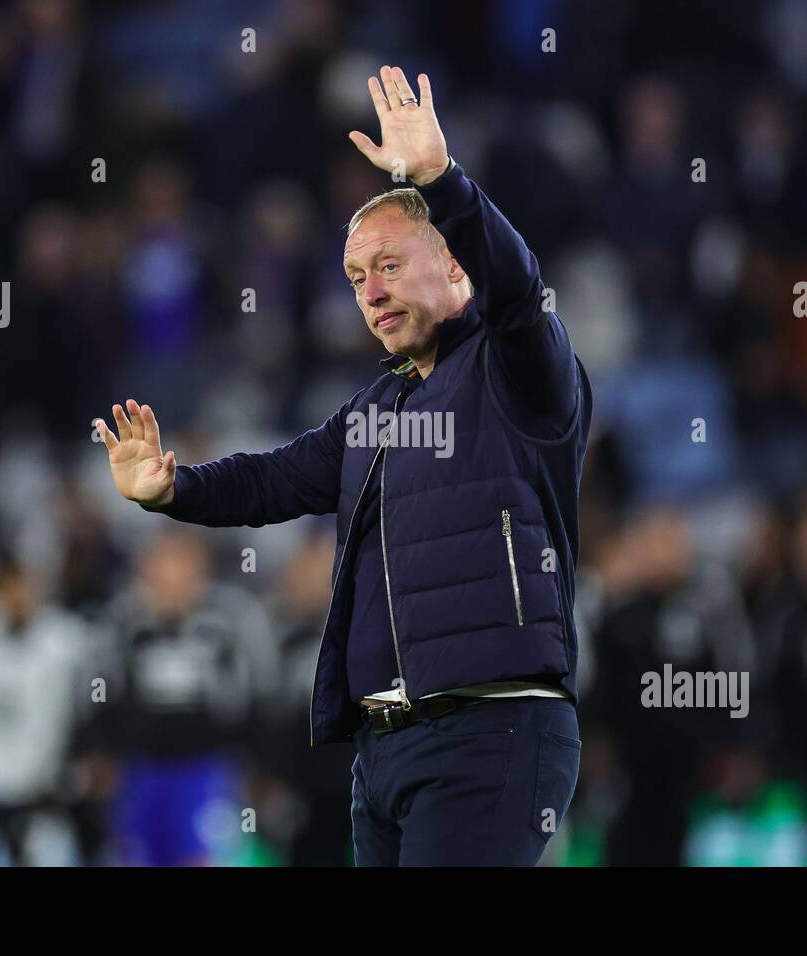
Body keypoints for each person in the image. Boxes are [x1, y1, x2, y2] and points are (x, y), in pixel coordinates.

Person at [97, 65, 592, 866]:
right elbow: (275, 479)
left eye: (391, 266)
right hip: (385, 747)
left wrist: (440, 180)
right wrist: (174, 488)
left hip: (492, 726)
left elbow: (519, 291)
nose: (371, 293)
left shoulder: (515, 368)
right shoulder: (375, 409)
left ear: (457, 267)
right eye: (357, 278)